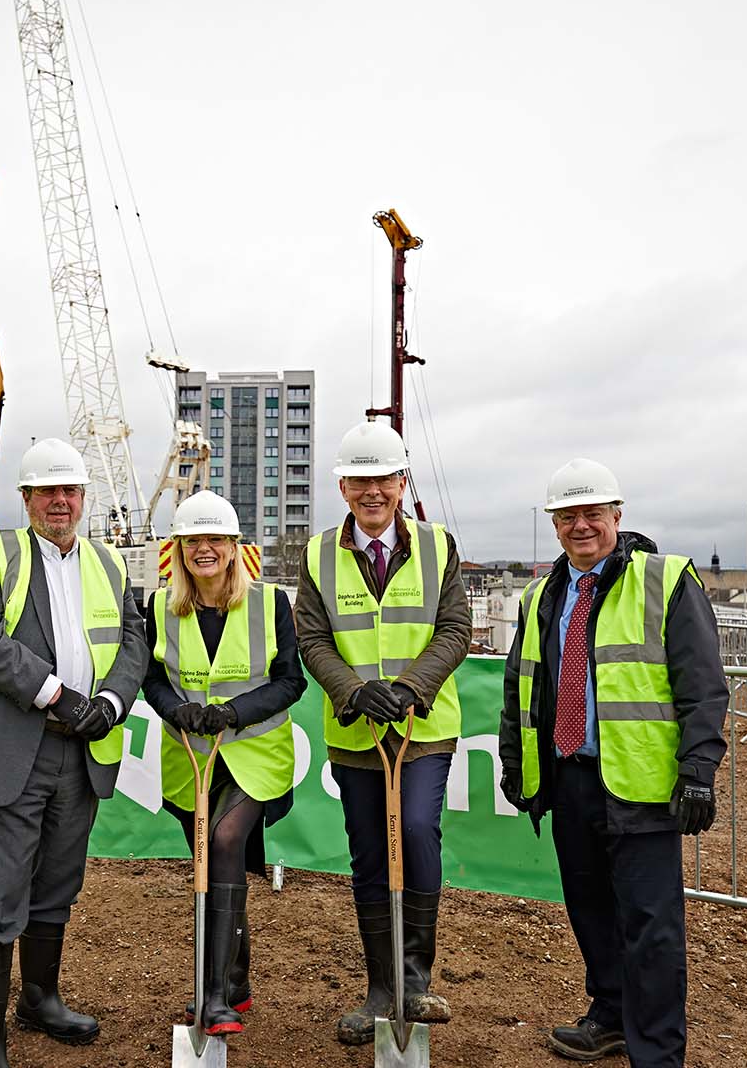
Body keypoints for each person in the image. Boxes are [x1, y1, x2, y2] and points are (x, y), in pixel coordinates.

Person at [498, 458, 728, 1068]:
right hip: (568, 775)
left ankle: (655, 1053)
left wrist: (698, 770)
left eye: (591, 514)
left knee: (651, 925)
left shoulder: (665, 581)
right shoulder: (540, 594)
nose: (580, 526)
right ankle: (609, 1013)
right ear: (553, 524)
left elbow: (702, 685)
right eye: (567, 516)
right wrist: (517, 766)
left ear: (616, 516)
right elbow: (521, 688)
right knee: (590, 907)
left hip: (642, 785)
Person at [0, 438, 150, 1068]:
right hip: (13, 748)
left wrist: (109, 703)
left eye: (70, 491)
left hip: (80, 750)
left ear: (85, 497)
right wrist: (58, 695)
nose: (60, 501)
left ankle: (39, 996)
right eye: (46, 492)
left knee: (58, 879)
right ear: (26, 498)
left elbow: (135, 639)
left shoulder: (109, 564)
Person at [295, 420, 472, 1046]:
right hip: (356, 733)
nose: (374, 491)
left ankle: (415, 978)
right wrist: (352, 691)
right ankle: (380, 987)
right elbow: (311, 638)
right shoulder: (318, 553)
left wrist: (410, 688)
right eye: (360, 480)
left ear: (403, 482)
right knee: (370, 851)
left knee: (418, 830)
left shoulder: (436, 545)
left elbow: (455, 628)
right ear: (343, 486)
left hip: (423, 727)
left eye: (385, 479)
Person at [140, 491, 305, 1037]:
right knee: (210, 864)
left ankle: (210, 997)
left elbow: (290, 681)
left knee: (228, 841)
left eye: (215, 540)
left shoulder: (270, 603)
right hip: (191, 759)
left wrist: (234, 711)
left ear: (234, 547)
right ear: (180, 548)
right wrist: (176, 709)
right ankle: (235, 981)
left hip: (256, 754)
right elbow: (152, 679)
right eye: (193, 541)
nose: (204, 550)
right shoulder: (160, 607)